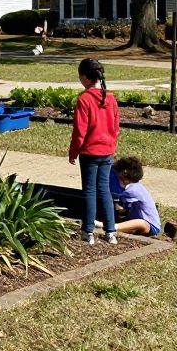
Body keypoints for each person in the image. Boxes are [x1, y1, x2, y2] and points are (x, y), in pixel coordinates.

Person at [68, 58, 120, 245]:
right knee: (104, 189)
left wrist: (74, 151)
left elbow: (80, 131)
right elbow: (115, 127)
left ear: (85, 78)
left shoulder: (84, 99)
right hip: (107, 151)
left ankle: (88, 231)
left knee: (89, 190)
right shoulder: (110, 98)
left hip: (90, 152)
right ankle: (110, 231)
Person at [111, 156, 162, 237]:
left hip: (151, 226)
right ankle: (121, 228)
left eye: (119, 177)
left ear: (124, 174)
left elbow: (115, 195)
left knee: (141, 223)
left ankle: (111, 227)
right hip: (132, 219)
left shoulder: (134, 189)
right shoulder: (134, 185)